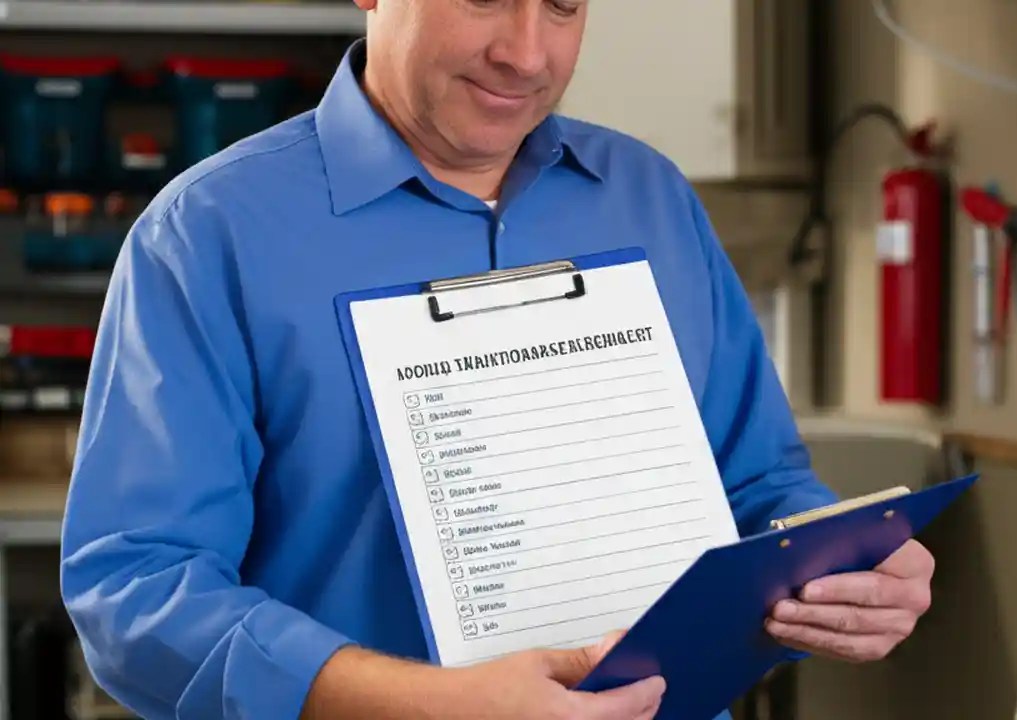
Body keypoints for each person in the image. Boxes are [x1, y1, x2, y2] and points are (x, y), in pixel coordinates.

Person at [59, 1, 937, 718]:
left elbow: (758, 484)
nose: (526, 54)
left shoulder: (652, 199)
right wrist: (420, 705)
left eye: (562, 6)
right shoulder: (209, 234)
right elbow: (136, 590)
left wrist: (841, 566)